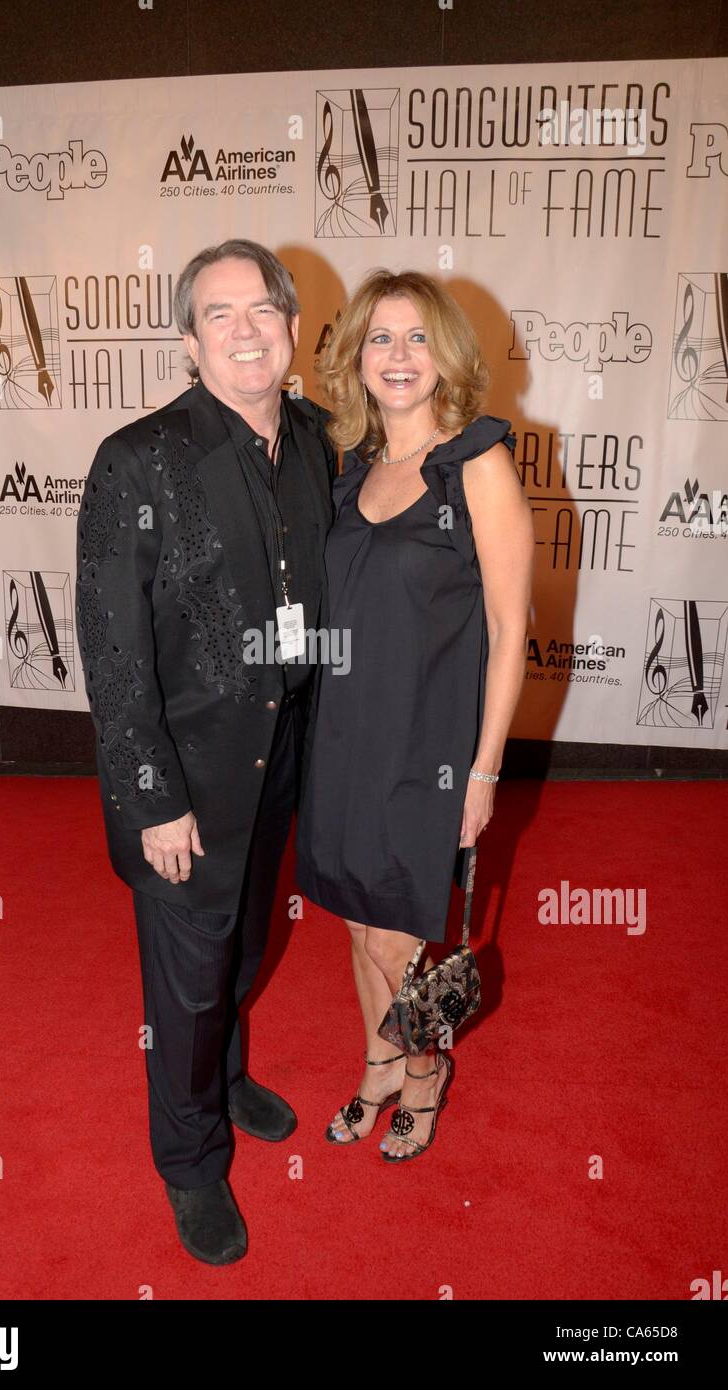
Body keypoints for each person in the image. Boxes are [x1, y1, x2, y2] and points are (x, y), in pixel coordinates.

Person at [75, 239, 335, 1263]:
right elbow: (111, 649)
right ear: (190, 340)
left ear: (290, 325)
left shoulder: (316, 441)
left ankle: (225, 1078)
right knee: (185, 988)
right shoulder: (138, 459)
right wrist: (152, 798)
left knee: (242, 951)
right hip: (183, 782)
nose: (244, 330)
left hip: (284, 763)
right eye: (218, 314)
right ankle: (189, 1160)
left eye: (261, 309)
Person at [294, 270, 534, 1162]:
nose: (398, 356)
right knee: (357, 922)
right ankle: (378, 1063)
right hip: (342, 737)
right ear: (355, 356)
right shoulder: (350, 467)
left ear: (448, 356)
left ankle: (423, 1076)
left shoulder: (475, 462)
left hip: (425, 748)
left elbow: (510, 630)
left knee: (398, 936)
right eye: (380, 338)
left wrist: (482, 771)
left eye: (417, 338)